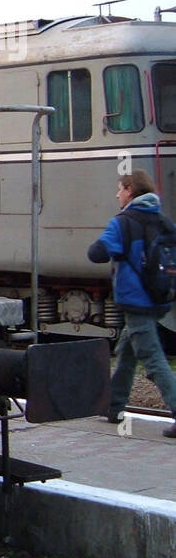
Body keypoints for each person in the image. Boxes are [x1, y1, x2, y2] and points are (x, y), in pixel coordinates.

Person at [88, 169, 176, 438]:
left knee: (152, 359)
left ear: (130, 190)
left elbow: (97, 253)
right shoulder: (161, 219)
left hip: (135, 300)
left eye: (120, 189)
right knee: (126, 351)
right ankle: (112, 406)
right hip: (159, 297)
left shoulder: (123, 222)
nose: (117, 194)